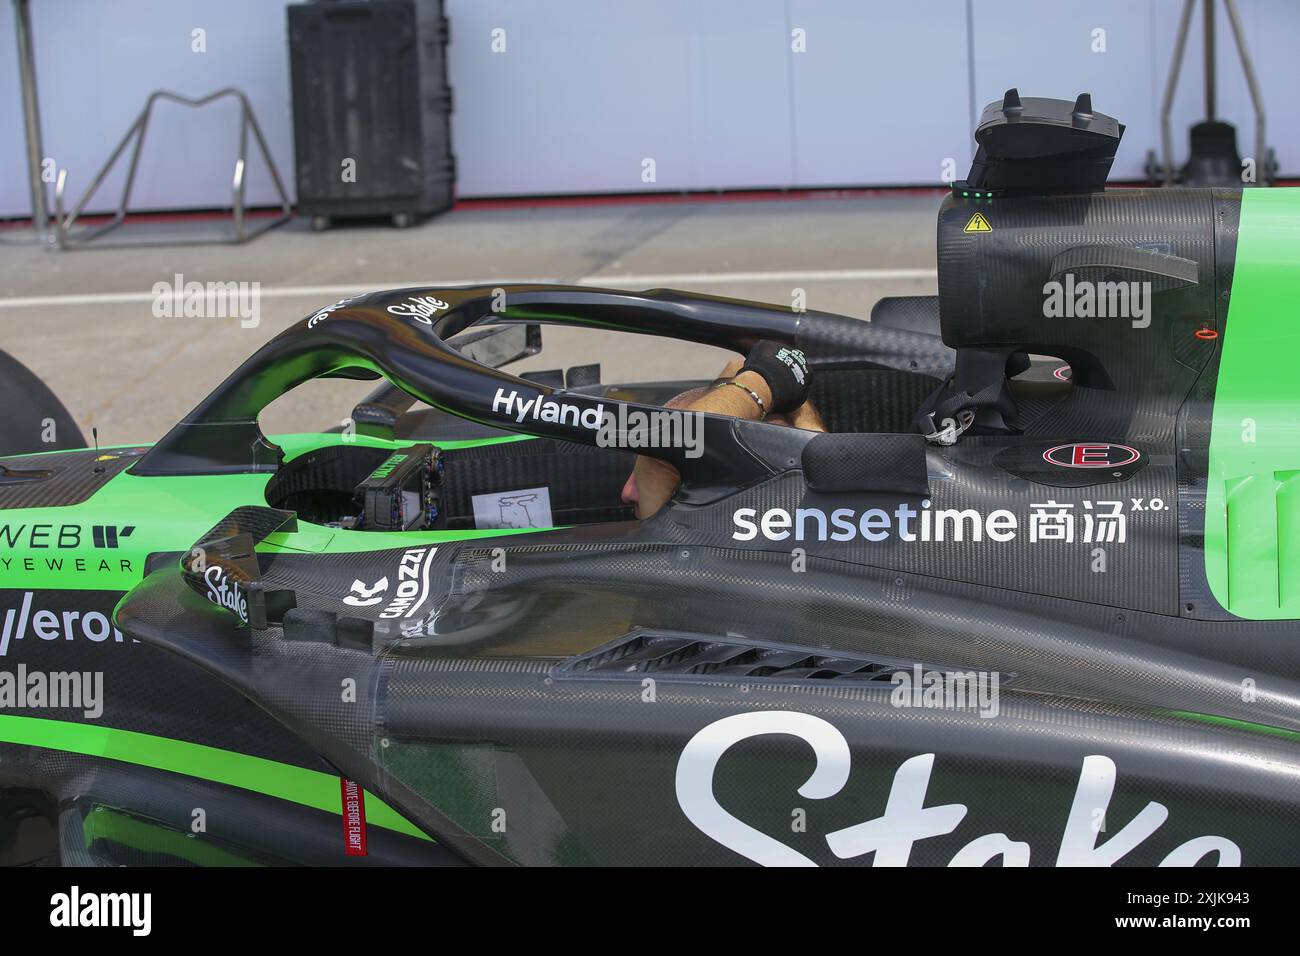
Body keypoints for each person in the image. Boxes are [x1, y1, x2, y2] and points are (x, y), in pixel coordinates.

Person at [621, 340, 826, 518]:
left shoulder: (686, 545)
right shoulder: (827, 518)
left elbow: (670, 444)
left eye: (676, 474)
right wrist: (788, 388)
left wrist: (761, 380)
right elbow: (822, 463)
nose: (627, 493)